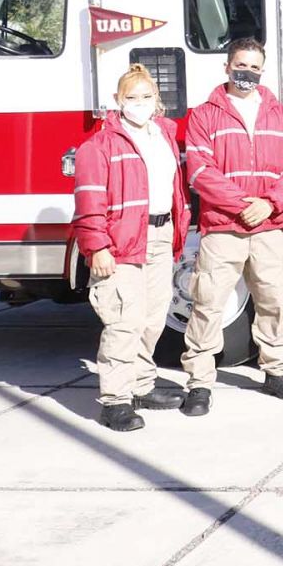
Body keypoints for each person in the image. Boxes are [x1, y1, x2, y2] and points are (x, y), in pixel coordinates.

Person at [180, 37, 283, 416]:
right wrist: (242, 206)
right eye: (240, 64)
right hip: (223, 228)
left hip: (268, 227)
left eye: (254, 67)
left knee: (274, 301)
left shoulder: (282, 115)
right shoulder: (204, 115)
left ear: (262, 70)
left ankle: (276, 372)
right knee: (207, 304)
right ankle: (200, 382)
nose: (246, 72)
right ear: (226, 66)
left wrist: (268, 203)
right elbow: (200, 171)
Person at [72, 64, 192, 432]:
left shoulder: (164, 135)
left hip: (158, 237)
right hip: (120, 244)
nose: (139, 104)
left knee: (153, 319)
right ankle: (116, 400)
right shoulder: (100, 145)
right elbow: (89, 201)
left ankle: (141, 385)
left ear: (157, 99)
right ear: (117, 101)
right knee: (124, 322)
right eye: (131, 98)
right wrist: (98, 248)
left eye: (145, 97)